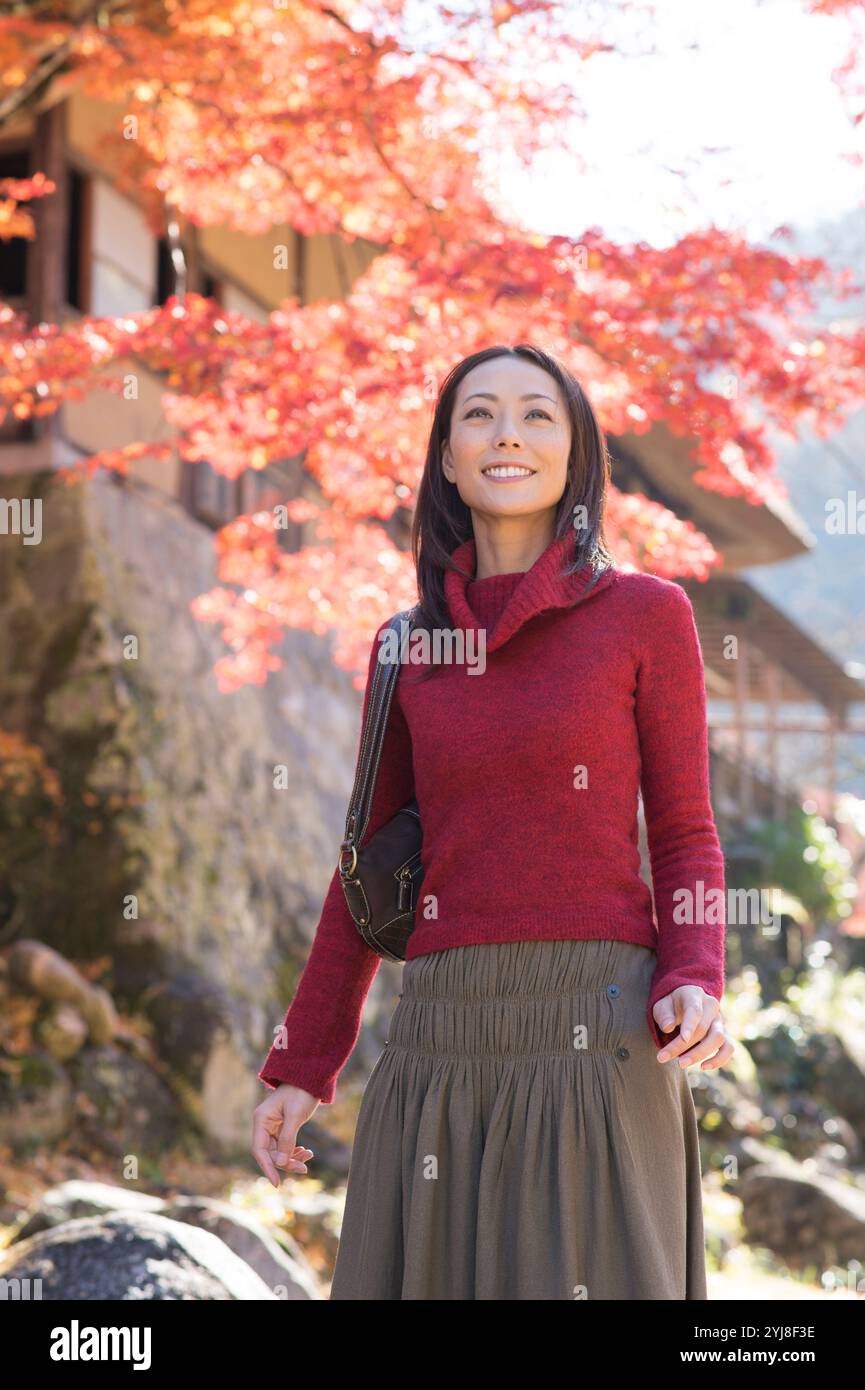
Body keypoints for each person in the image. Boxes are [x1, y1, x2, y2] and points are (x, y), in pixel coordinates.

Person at [251, 343, 734, 1300]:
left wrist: (694, 973)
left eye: (536, 414)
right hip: (436, 1038)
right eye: (478, 414)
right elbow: (365, 870)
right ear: (445, 456)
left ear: (575, 452)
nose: (506, 432)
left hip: (597, 1029)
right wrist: (300, 1062)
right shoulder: (407, 645)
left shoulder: (645, 615)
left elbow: (685, 831)